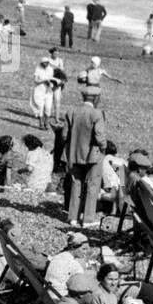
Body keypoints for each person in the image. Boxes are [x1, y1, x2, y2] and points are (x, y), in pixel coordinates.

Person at [62, 88, 107, 228]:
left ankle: (73, 217)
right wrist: (103, 147)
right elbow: (100, 137)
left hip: (74, 154)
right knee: (92, 185)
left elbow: (64, 135)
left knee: (76, 184)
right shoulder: (96, 113)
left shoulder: (72, 111)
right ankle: (87, 219)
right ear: (96, 98)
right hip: (92, 155)